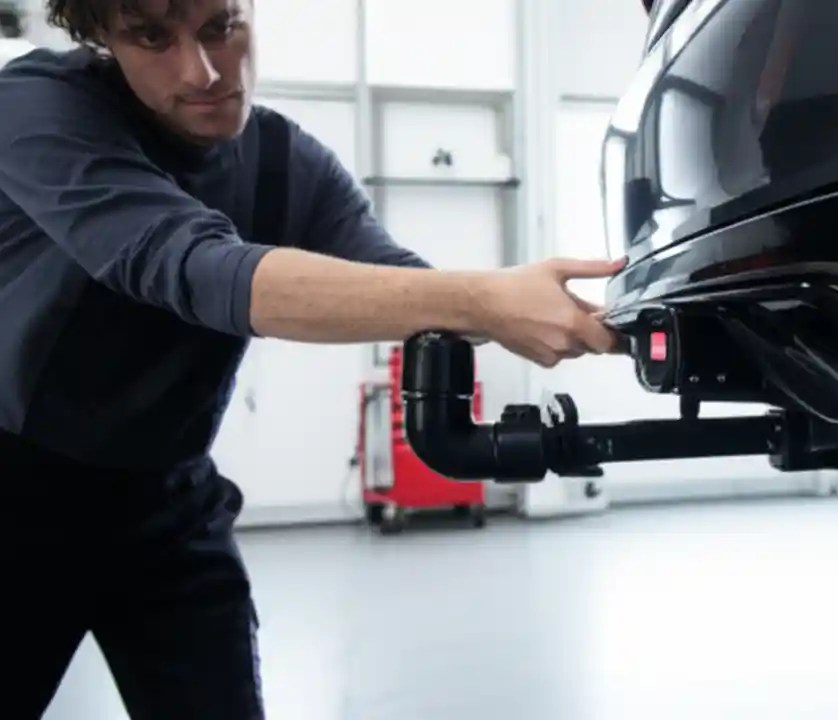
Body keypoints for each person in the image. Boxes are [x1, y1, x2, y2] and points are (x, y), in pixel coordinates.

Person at [0, 0, 624, 717]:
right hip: (18, 497)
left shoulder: (285, 162)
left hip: (170, 503)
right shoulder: (39, 107)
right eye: (151, 38)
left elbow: (408, 283)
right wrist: (484, 300)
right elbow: (194, 266)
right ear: (102, 39)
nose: (201, 71)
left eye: (219, 28)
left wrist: (577, 311)